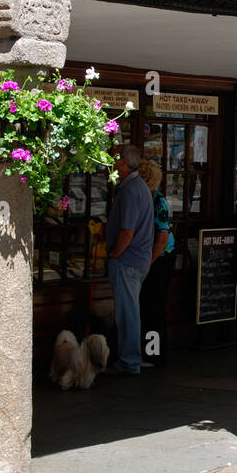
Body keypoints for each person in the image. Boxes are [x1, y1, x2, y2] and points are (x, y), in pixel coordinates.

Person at [105, 144, 155, 375]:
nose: (110, 164)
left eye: (114, 159)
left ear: (123, 162)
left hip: (128, 260)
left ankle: (129, 361)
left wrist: (114, 253)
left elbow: (127, 232)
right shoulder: (136, 187)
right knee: (129, 312)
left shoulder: (132, 189)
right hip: (135, 259)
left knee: (127, 314)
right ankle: (129, 359)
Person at [138, 160, 175, 369]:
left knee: (155, 306)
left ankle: (155, 354)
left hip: (160, 257)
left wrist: (149, 263)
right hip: (150, 256)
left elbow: (162, 238)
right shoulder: (145, 199)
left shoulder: (158, 202)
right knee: (146, 304)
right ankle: (146, 350)